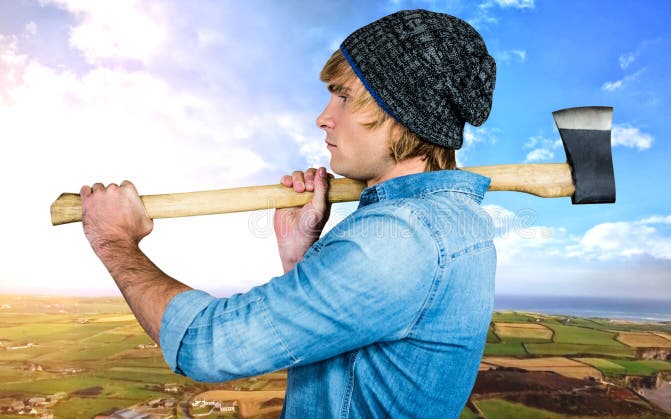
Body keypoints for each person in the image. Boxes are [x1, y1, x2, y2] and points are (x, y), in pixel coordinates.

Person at [80, 9, 497, 417]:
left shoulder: (403, 237)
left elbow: (208, 346)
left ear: (402, 112)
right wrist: (299, 257)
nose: (323, 118)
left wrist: (114, 240)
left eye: (345, 96)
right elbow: (353, 340)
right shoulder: (457, 221)